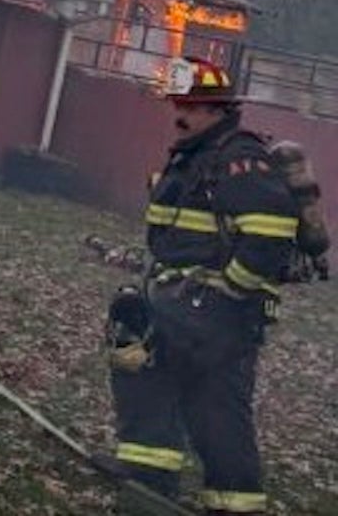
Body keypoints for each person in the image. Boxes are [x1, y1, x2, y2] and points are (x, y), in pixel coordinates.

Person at [104, 57, 302, 515]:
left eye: (191, 106)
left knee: (216, 413)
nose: (180, 114)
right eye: (178, 103)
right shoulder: (195, 154)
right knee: (146, 381)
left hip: (219, 317)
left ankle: (233, 506)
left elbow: (270, 233)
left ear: (217, 110)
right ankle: (148, 484)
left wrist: (229, 290)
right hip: (176, 304)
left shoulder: (240, 159)